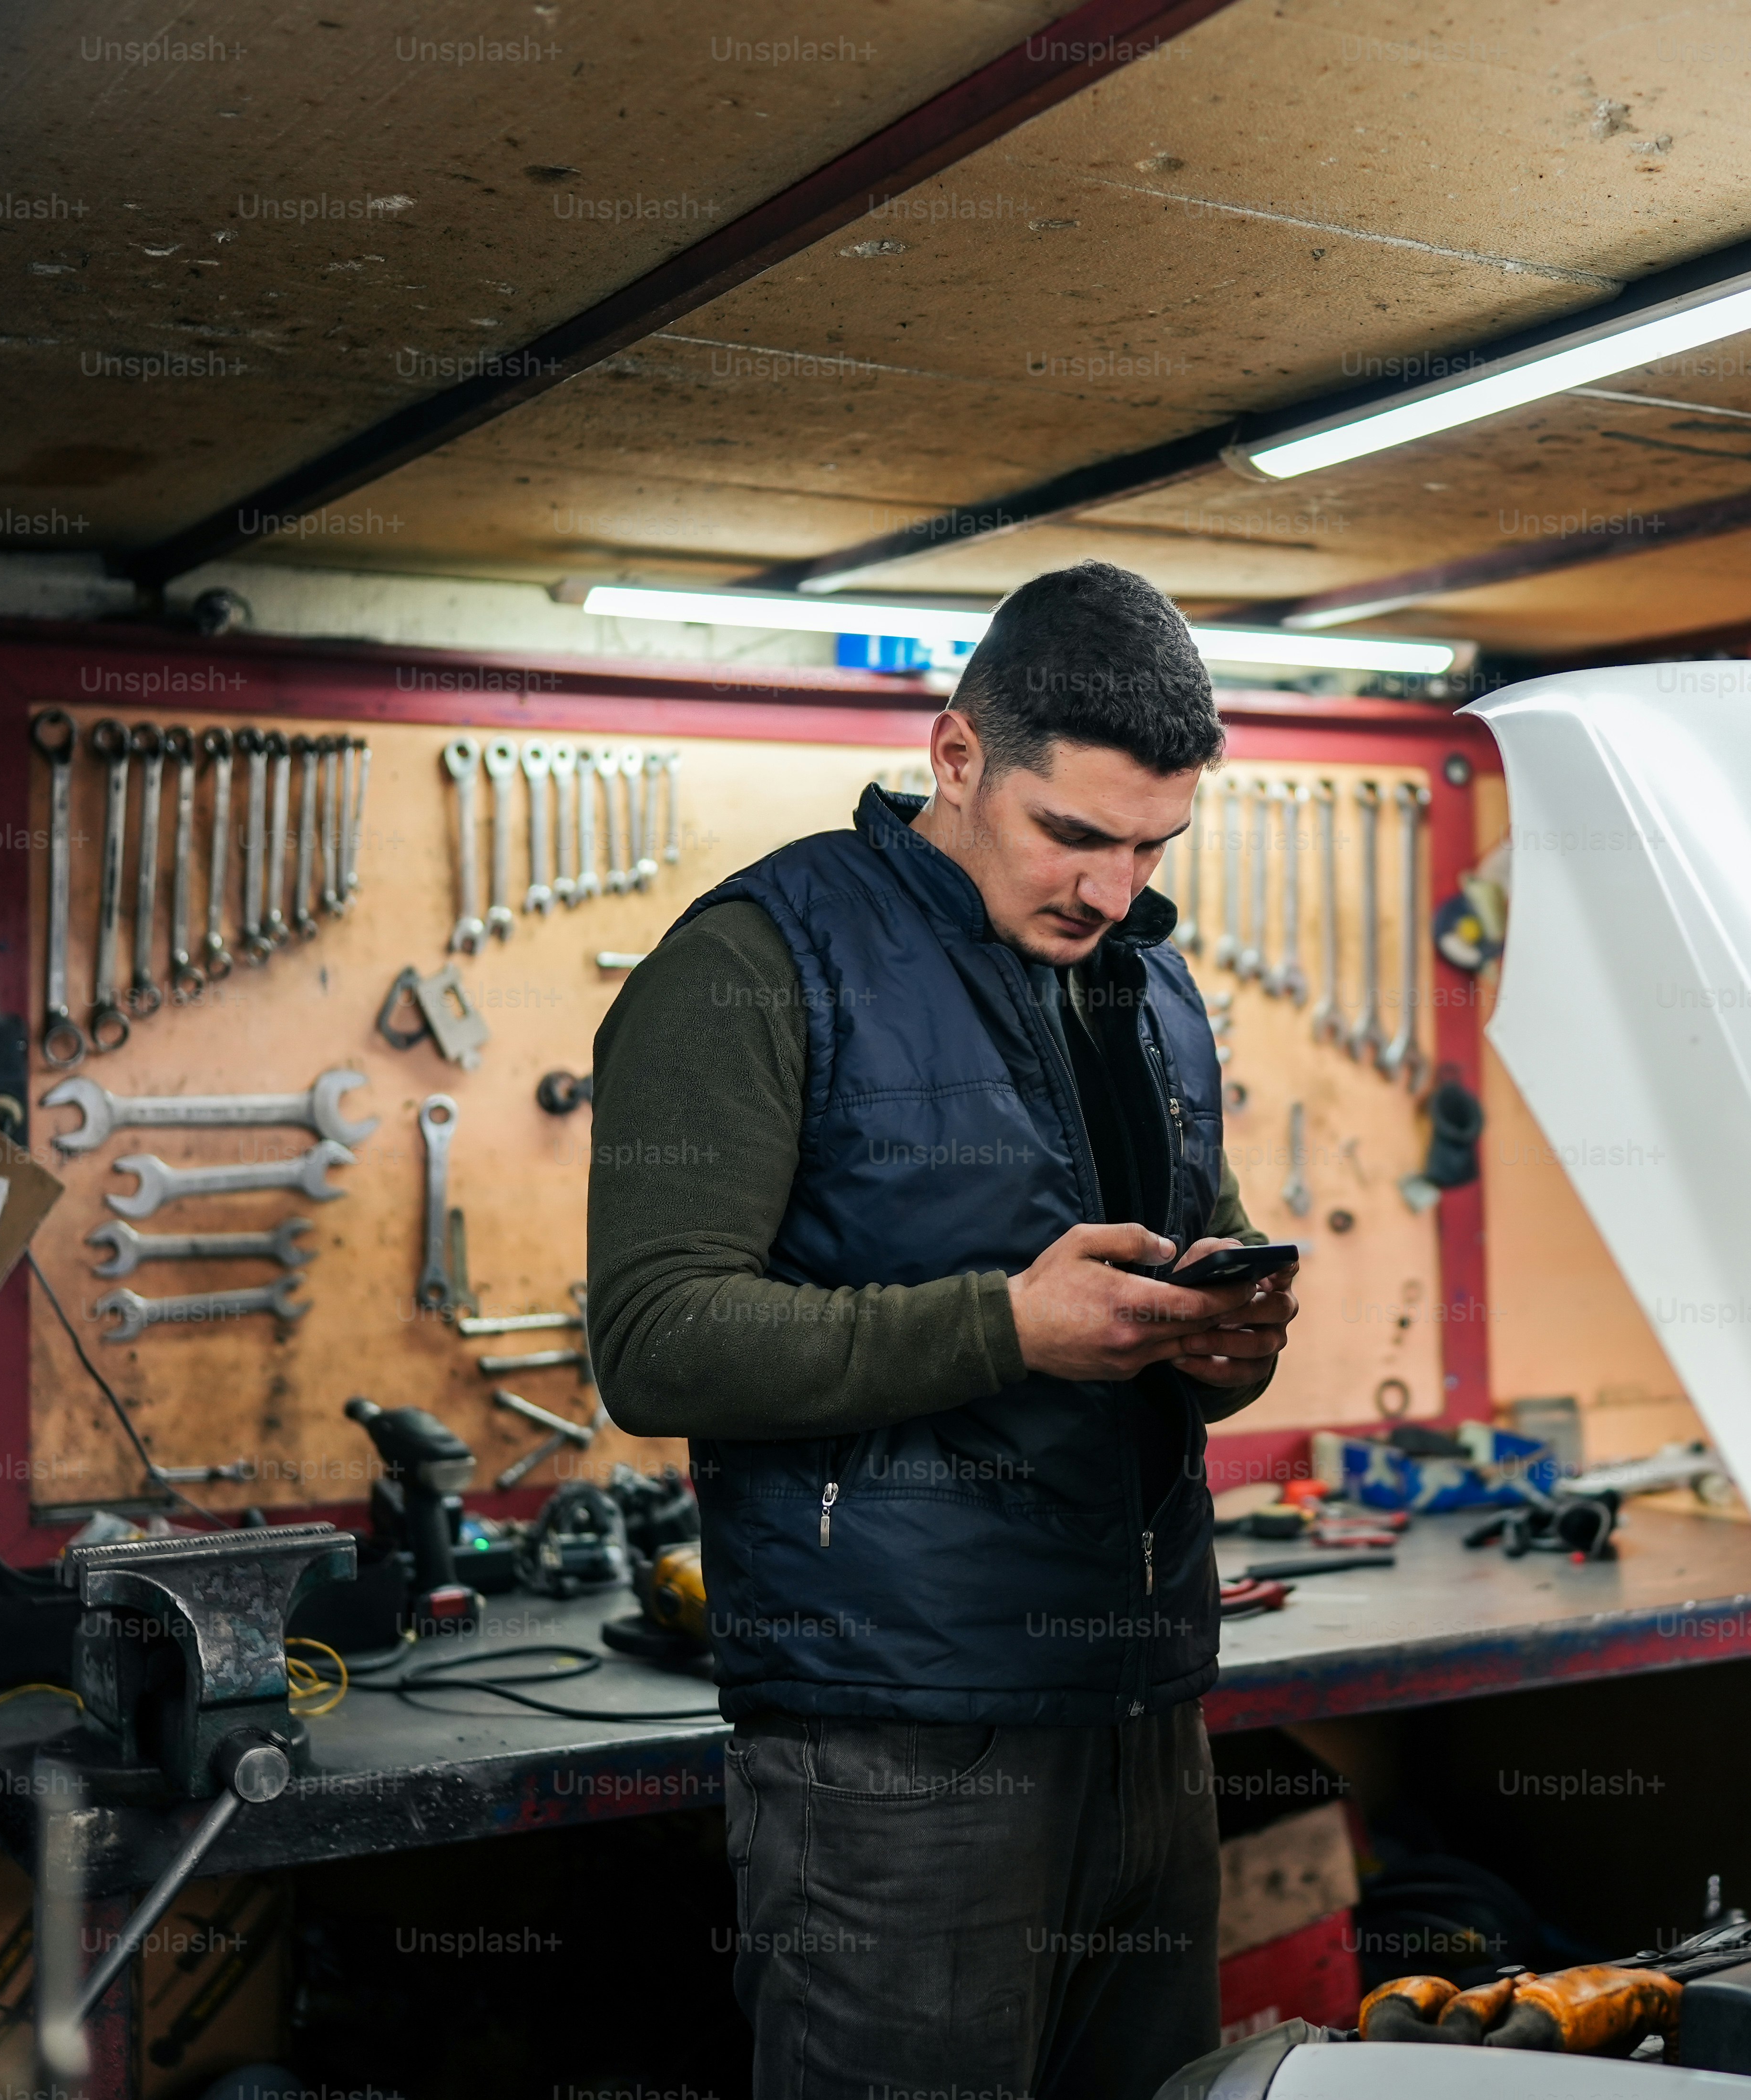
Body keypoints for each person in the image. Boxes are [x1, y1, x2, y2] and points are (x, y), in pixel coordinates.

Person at [588, 559, 1298, 2099]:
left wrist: (1227, 1338)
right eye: (1077, 835)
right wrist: (1006, 1325)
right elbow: (653, 1339)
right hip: (895, 1749)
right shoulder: (754, 967)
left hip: (1146, 1712)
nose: (1115, 889)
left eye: (1154, 845)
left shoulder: (1148, 982)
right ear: (956, 758)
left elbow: (1186, 1266)